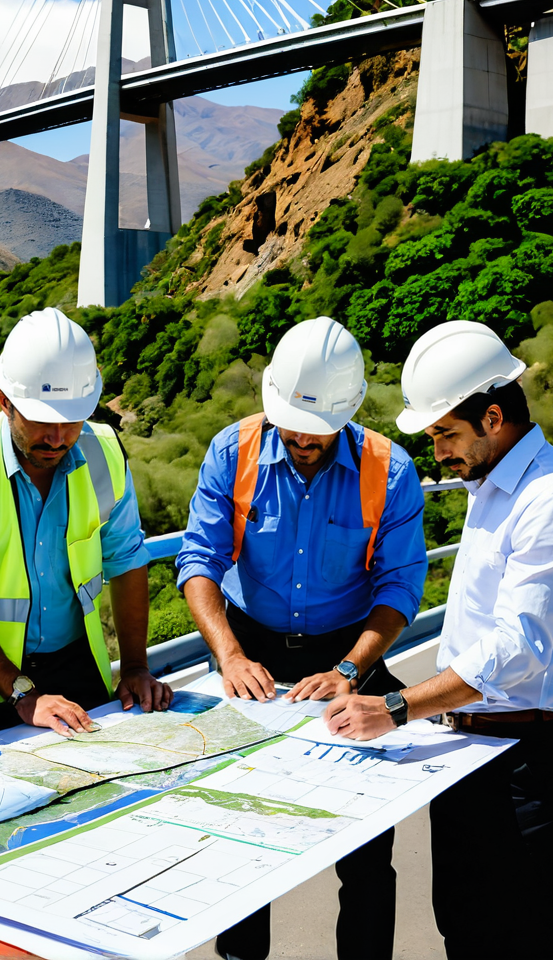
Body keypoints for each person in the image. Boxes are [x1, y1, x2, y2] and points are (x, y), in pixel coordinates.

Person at [324, 320, 553, 960]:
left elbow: (516, 648)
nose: (438, 453)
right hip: (475, 737)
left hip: (530, 750)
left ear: (491, 417)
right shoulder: (495, 487)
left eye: (445, 434)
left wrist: (397, 707)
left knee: (524, 928)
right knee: (466, 919)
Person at [176, 317, 427, 960]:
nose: (302, 439)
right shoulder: (234, 452)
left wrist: (348, 669)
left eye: (318, 430)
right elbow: (199, 560)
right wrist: (228, 654)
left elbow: (397, 590)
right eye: (291, 425)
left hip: (350, 657)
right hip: (250, 654)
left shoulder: (389, 470)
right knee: (240, 832)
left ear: (349, 412)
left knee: (367, 852)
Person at [0, 307, 173, 736]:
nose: (57, 438)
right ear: (5, 402)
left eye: (71, 420)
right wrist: (22, 694)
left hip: (77, 670)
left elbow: (127, 562)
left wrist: (135, 667)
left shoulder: (105, 453)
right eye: (42, 421)